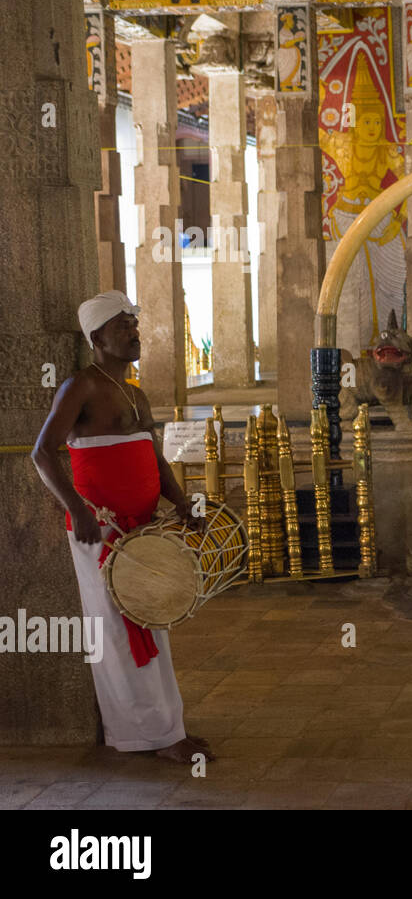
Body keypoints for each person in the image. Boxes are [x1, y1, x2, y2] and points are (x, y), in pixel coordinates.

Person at [31, 290, 215, 764]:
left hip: (145, 529)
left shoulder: (136, 393)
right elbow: (42, 453)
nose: (134, 333)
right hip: (102, 531)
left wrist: (182, 504)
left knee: (154, 620)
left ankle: (168, 727)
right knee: (116, 631)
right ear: (97, 337)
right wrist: (79, 509)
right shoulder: (79, 388)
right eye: (122, 326)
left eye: (134, 324)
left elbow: (154, 458)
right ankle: (144, 736)